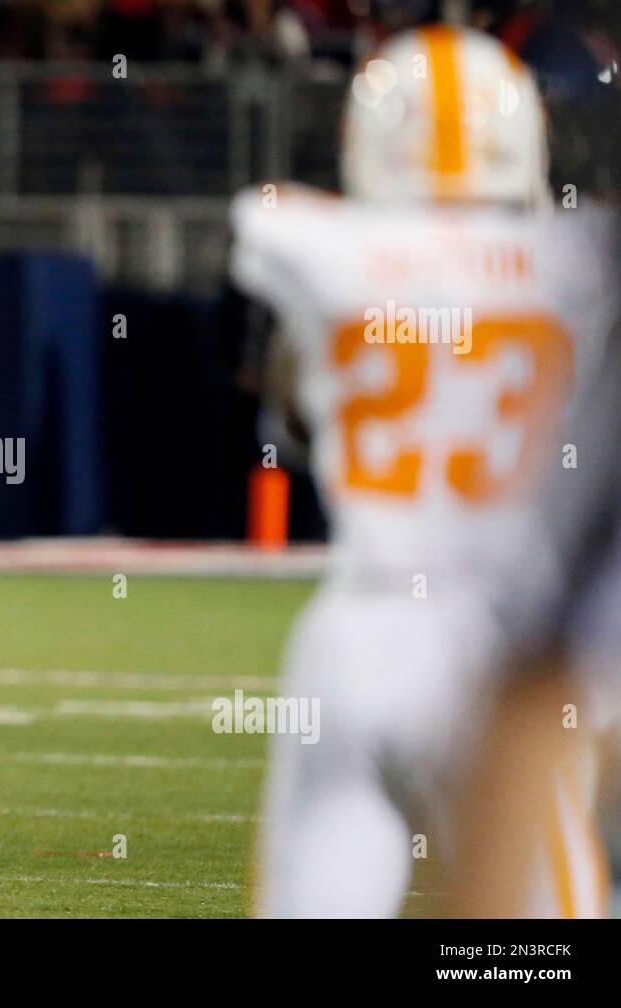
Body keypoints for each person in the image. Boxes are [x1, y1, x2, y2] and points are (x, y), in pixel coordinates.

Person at [230, 24, 617, 916]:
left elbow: (278, 252)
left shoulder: (310, 241)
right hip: (504, 640)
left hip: (354, 635)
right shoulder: (579, 263)